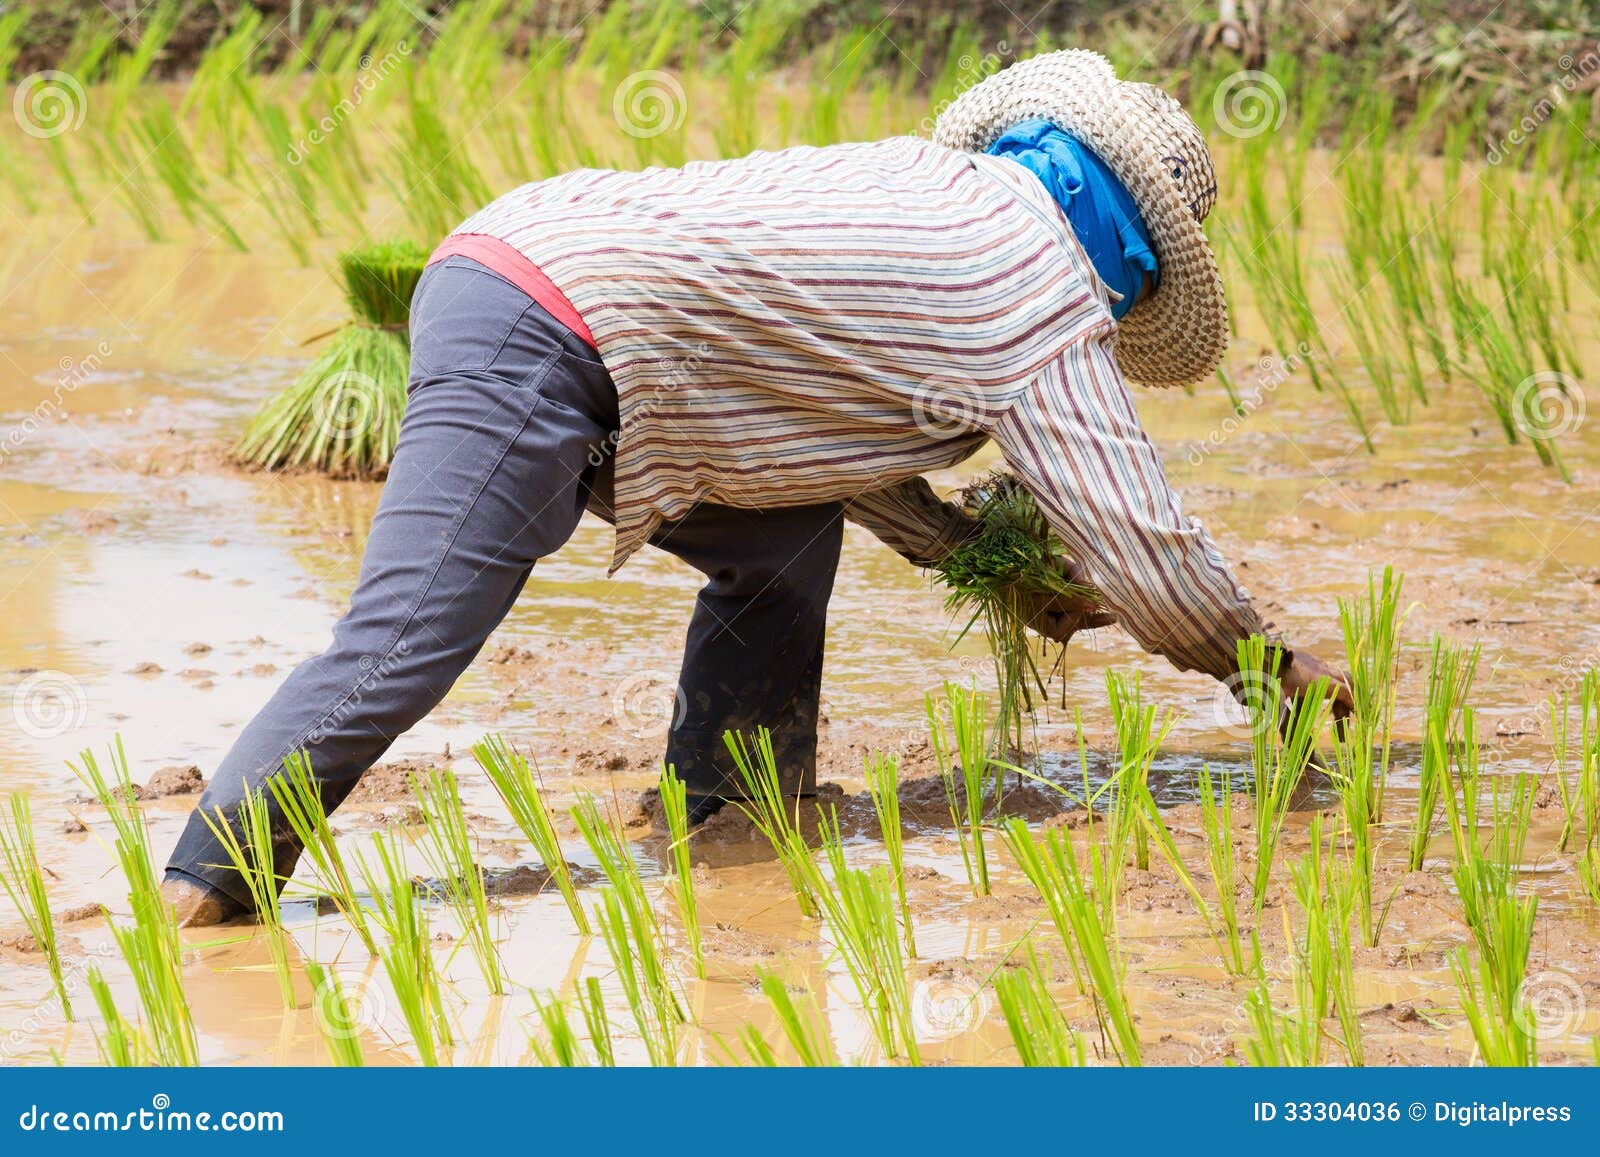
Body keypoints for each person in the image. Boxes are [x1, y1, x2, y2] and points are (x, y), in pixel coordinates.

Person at [163, 49, 1351, 926]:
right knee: (408, 635)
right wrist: (1259, 659)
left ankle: (732, 816)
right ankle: (202, 894)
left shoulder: (932, 198)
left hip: (524, 266)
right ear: (1134, 248)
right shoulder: (1033, 280)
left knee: (780, 542)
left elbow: (826, 436)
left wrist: (970, 557)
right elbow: (1137, 535)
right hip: (545, 328)